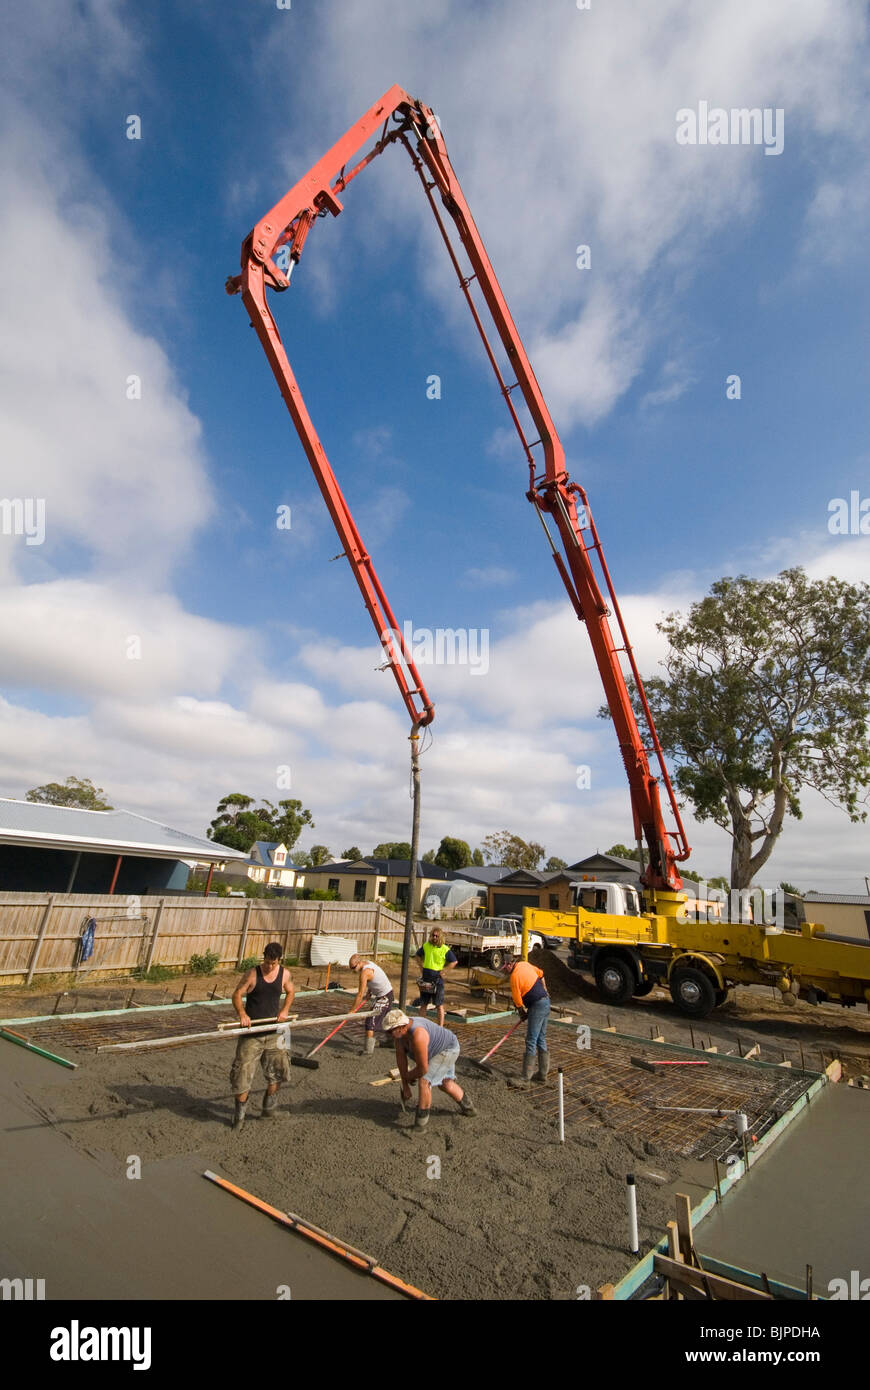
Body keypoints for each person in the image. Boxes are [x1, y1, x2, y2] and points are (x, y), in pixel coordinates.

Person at [229, 943, 294, 1130]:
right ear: (263, 957)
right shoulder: (253, 974)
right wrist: (242, 1014)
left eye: (273, 963)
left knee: (278, 1071)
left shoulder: (285, 974)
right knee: (242, 1074)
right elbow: (237, 994)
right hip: (252, 1035)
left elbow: (291, 992)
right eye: (267, 962)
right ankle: (239, 1117)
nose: (270, 966)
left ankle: (269, 1109)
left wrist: (285, 1010)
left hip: (275, 1033)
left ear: (279, 960)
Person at [382, 1008, 476, 1129]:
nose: (388, 1035)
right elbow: (401, 1060)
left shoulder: (418, 1035)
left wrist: (410, 1076)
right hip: (436, 1050)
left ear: (401, 1027)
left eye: (390, 1031)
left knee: (424, 1082)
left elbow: (423, 1069)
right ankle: (469, 1109)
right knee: (445, 1083)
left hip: (447, 1049)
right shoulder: (399, 1037)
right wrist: (405, 1085)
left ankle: (420, 1126)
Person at [503, 957, 550, 1088]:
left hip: (537, 1005)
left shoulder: (514, 977)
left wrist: (522, 1013)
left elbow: (518, 1001)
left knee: (531, 1039)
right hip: (545, 1002)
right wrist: (545, 991)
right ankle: (542, 1075)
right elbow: (542, 974)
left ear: (510, 963)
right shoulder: (524, 964)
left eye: (505, 967)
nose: (505, 971)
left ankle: (525, 1078)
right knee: (541, 1038)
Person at [348, 953, 394, 1053]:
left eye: (353, 968)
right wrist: (370, 991)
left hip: (385, 996)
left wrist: (352, 1010)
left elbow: (360, 994)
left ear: (359, 963)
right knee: (385, 1019)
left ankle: (368, 1050)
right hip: (384, 994)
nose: (353, 971)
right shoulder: (367, 963)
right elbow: (374, 980)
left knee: (370, 1021)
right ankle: (391, 1042)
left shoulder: (365, 972)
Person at [413, 927, 458, 1027]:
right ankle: (421, 1025)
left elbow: (454, 961)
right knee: (423, 1004)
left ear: (440, 937)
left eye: (436, 936)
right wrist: (421, 966)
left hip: (437, 980)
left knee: (439, 1005)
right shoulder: (426, 946)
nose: (434, 937)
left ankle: (440, 1027)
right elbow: (417, 955)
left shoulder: (445, 949)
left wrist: (445, 970)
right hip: (426, 979)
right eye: (433, 935)